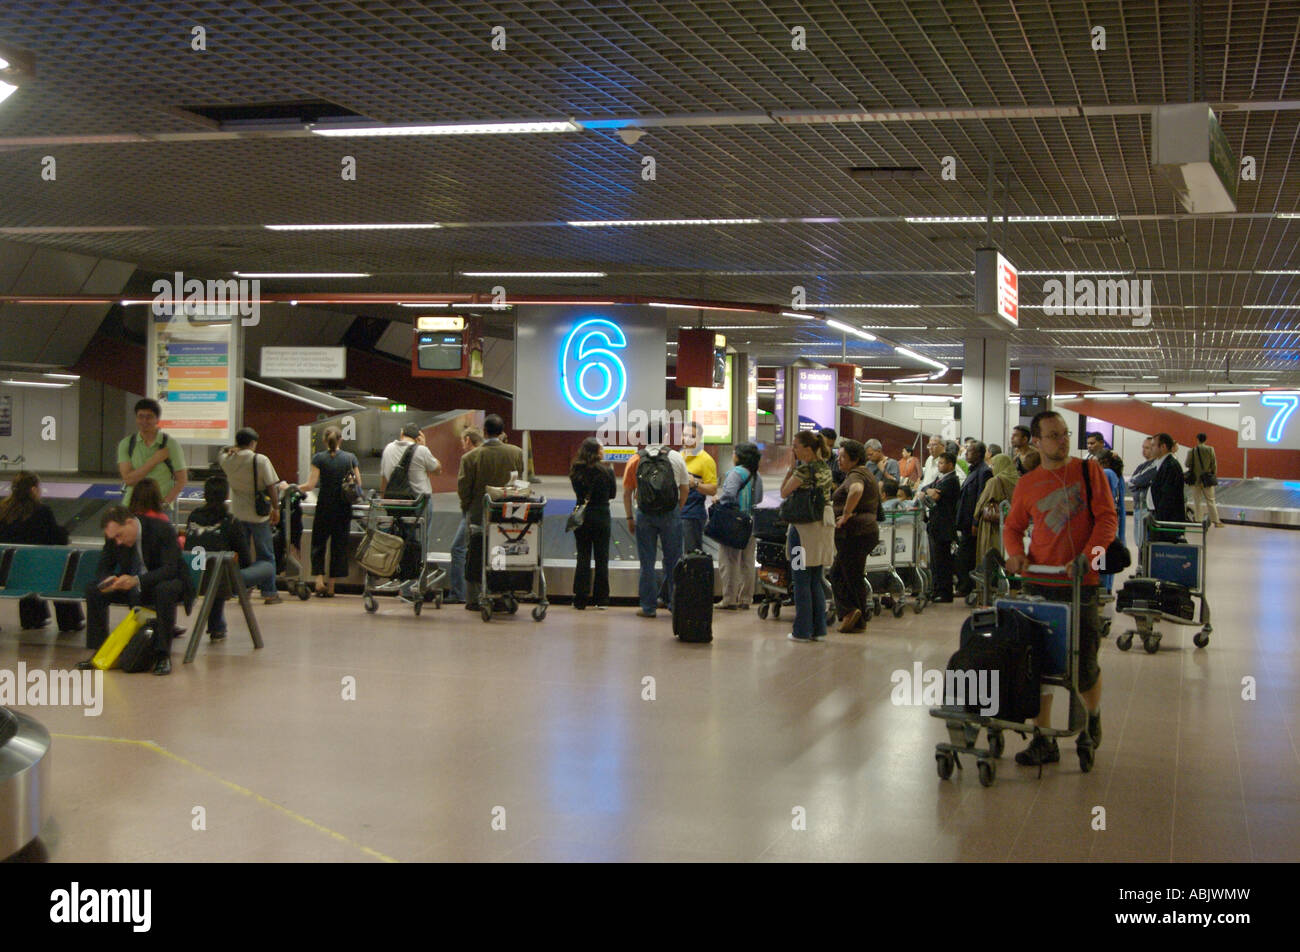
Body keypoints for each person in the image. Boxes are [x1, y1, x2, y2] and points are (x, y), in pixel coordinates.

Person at [1004, 410, 1116, 767]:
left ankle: (1091, 718)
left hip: (1081, 583)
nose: (1062, 440)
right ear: (1036, 442)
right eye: (1053, 435)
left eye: (1065, 434)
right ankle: (1044, 738)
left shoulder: (1089, 471)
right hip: (1040, 581)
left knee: (1084, 663)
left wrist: (1090, 556)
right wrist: (1016, 554)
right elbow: (1012, 527)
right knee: (1038, 663)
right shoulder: (1027, 484)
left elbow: (1107, 518)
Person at [77, 505, 196, 676]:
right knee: (94, 590)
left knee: (165, 590)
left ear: (130, 523)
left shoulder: (162, 529)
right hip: (132, 582)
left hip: (166, 579)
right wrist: (108, 580)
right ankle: (101, 651)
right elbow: (104, 566)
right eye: (114, 538)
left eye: (119, 536)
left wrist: (136, 580)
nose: (117, 541)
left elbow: (170, 568)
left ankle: (163, 655)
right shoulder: (114, 536)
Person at [183, 476, 275, 641]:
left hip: (194, 576)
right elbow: (245, 559)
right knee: (266, 566)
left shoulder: (193, 517)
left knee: (214, 570)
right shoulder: (230, 521)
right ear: (226, 495)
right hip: (223, 580)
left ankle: (218, 626)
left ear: (205, 495)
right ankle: (218, 625)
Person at [0, 471, 84, 632]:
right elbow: (58, 539)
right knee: (60, 572)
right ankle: (70, 622)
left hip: (7, 573)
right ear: (33, 490)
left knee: (24, 566)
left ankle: (33, 618)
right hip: (38, 570)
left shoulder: (2, 512)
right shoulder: (41, 512)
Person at [457, 414, 525, 610]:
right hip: (508, 516)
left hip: (479, 515)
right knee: (503, 552)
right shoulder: (516, 453)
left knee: (476, 555)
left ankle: (474, 598)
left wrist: (467, 509)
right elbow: (520, 483)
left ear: (484, 432)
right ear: (502, 432)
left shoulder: (470, 457)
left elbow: (464, 489)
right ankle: (502, 594)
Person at [780, 430, 836, 642]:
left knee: (800, 579)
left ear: (807, 449)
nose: (793, 449)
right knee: (815, 579)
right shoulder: (825, 468)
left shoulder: (803, 470)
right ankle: (819, 629)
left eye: (796, 446)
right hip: (823, 526)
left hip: (802, 529)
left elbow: (784, 492)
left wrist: (790, 469)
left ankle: (802, 630)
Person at [622, 440, 689, 618]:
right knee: (674, 561)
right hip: (670, 513)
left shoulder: (636, 459)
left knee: (647, 562)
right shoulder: (675, 457)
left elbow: (627, 492)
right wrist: (678, 508)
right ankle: (675, 604)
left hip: (644, 515)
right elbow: (685, 488)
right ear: (664, 436)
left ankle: (648, 607)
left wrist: (629, 517)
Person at [219, 428, 282, 605]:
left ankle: (242, 591)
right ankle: (269, 592)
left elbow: (222, 451)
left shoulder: (226, 459)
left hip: (237, 514)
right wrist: (275, 508)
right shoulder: (260, 459)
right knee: (266, 555)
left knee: (241, 555)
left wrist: (231, 448)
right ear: (253, 443)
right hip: (258, 516)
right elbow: (271, 486)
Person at [298, 425, 362, 598]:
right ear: (340, 439)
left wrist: (292, 487)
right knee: (339, 546)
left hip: (324, 505)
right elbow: (358, 483)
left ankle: (319, 580)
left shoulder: (319, 458)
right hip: (343, 507)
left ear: (324, 441)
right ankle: (332, 585)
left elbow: (310, 485)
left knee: (318, 543)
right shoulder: (350, 458)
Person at [381, 422, 442, 599]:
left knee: (403, 542)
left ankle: (404, 584)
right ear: (417, 437)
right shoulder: (421, 450)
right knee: (421, 544)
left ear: (401, 433)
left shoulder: (387, 449)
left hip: (396, 504)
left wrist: (385, 502)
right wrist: (424, 446)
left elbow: (384, 479)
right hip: (419, 504)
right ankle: (415, 586)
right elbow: (437, 469)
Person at [829, 439, 879, 633]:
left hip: (855, 533)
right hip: (864, 532)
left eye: (843, 457)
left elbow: (856, 490)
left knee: (838, 573)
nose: (839, 460)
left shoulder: (856, 474)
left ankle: (850, 612)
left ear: (855, 458)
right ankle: (857, 619)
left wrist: (847, 514)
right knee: (851, 575)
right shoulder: (864, 473)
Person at [714, 442, 764, 611]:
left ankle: (729, 599)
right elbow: (758, 499)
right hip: (751, 522)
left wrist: (718, 501)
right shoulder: (757, 476)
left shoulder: (735, 473)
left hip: (734, 523)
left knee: (729, 560)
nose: (733, 455)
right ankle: (746, 598)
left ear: (739, 456)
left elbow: (728, 495)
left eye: (734, 453)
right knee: (748, 561)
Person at [568, 437, 617, 610]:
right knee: (602, 558)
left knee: (583, 556)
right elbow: (612, 494)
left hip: (582, 515)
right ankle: (602, 598)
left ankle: (580, 598)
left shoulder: (576, 470)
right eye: (601, 449)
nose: (603, 451)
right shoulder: (606, 470)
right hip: (602, 515)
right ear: (596, 452)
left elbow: (578, 492)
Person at [117, 398, 187, 509]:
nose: (144, 421)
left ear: (157, 419)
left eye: (149, 417)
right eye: (140, 416)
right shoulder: (126, 444)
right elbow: (128, 480)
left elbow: (182, 480)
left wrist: (165, 502)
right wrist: (154, 460)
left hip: (160, 508)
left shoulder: (171, 444)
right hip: (131, 506)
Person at [445, 426, 483, 604]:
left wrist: (465, 506)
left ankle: (458, 592)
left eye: (462, 441)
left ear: (468, 440)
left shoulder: (469, 458)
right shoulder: (489, 455)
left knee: (458, 549)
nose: (462, 445)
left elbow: (464, 487)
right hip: (486, 510)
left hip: (471, 511)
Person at [953, 441, 993, 597]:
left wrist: (976, 522)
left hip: (972, 522)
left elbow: (980, 500)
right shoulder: (972, 470)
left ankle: (966, 586)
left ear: (979, 454)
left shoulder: (984, 472)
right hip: (965, 521)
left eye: (969, 451)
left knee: (965, 556)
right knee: (964, 555)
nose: (966, 454)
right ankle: (965, 585)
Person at [921, 451, 960, 602]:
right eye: (939, 463)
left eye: (942, 463)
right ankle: (936, 589)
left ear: (950, 464)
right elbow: (925, 489)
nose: (939, 466)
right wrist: (928, 491)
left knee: (943, 561)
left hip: (944, 526)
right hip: (935, 524)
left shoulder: (952, 480)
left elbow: (935, 496)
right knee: (935, 561)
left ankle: (945, 592)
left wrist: (930, 493)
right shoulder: (940, 478)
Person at [972, 453, 1018, 572]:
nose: (991, 468)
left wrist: (976, 518)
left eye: (993, 465)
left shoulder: (995, 481)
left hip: (992, 527)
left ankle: (991, 586)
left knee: (991, 555)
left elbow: (981, 503)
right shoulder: (1018, 480)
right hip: (1011, 525)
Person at [678, 421, 718, 554]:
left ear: (700, 438)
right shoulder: (679, 456)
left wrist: (695, 483)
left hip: (692, 516)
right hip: (675, 513)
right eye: (685, 435)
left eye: (692, 436)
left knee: (692, 556)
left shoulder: (706, 460)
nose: (687, 439)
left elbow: (713, 489)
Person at [1146, 432, 1187, 540]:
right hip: (1158, 517)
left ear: (1163, 447)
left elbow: (1168, 496)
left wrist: (1159, 520)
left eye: (1154, 445)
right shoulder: (1161, 463)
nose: (1151, 448)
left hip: (1166, 522)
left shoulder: (1171, 466)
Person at [1097, 450, 1127, 593]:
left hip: (1103, 523)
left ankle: (1102, 588)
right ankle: (1107, 587)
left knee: (1101, 555)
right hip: (1113, 522)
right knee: (1109, 554)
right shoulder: (1117, 476)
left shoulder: (1106, 473)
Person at [1186, 433, 1225, 527]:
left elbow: (1187, 464)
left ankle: (1198, 520)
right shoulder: (1210, 449)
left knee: (1197, 501)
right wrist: (1213, 474)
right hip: (1207, 480)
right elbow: (1214, 464)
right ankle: (1216, 521)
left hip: (1195, 480)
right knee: (1211, 500)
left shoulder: (1192, 451)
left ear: (1197, 439)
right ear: (1205, 440)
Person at [1128, 437, 1157, 550]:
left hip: (1145, 508)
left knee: (1143, 541)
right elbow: (1132, 482)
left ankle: (1143, 564)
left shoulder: (1154, 466)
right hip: (1137, 507)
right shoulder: (1142, 466)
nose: (1144, 450)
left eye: (1147, 448)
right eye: (1143, 447)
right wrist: (1136, 483)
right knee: (1138, 540)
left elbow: (1138, 481)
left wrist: (1136, 483)